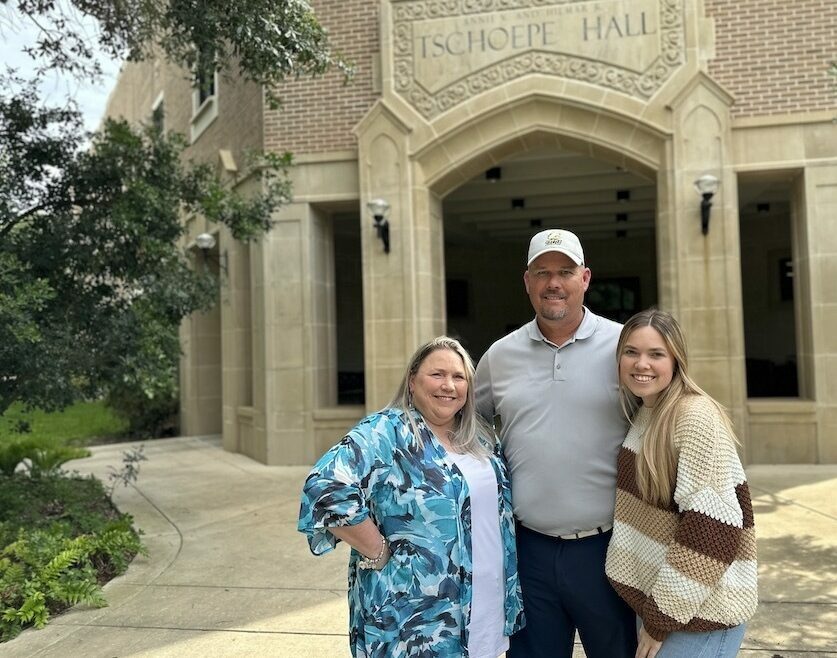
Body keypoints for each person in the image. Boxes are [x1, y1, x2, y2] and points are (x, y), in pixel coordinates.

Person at [298, 336, 525, 658]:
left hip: (484, 605)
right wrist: (377, 551)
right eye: (437, 374)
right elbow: (325, 488)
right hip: (413, 614)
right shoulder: (386, 432)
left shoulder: (481, 437)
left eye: (458, 377)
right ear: (412, 381)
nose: (448, 385)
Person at [475, 228, 636, 658]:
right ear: (526, 282)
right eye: (541, 272)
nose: (553, 282)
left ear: (585, 278)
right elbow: (461, 424)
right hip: (529, 552)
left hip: (610, 550)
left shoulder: (624, 346)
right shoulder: (499, 356)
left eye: (565, 271)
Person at [605, 309, 758, 658]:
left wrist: (660, 620)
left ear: (676, 360)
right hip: (667, 604)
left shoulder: (693, 417)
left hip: (701, 613)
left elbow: (713, 531)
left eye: (656, 354)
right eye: (631, 352)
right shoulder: (648, 411)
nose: (641, 363)